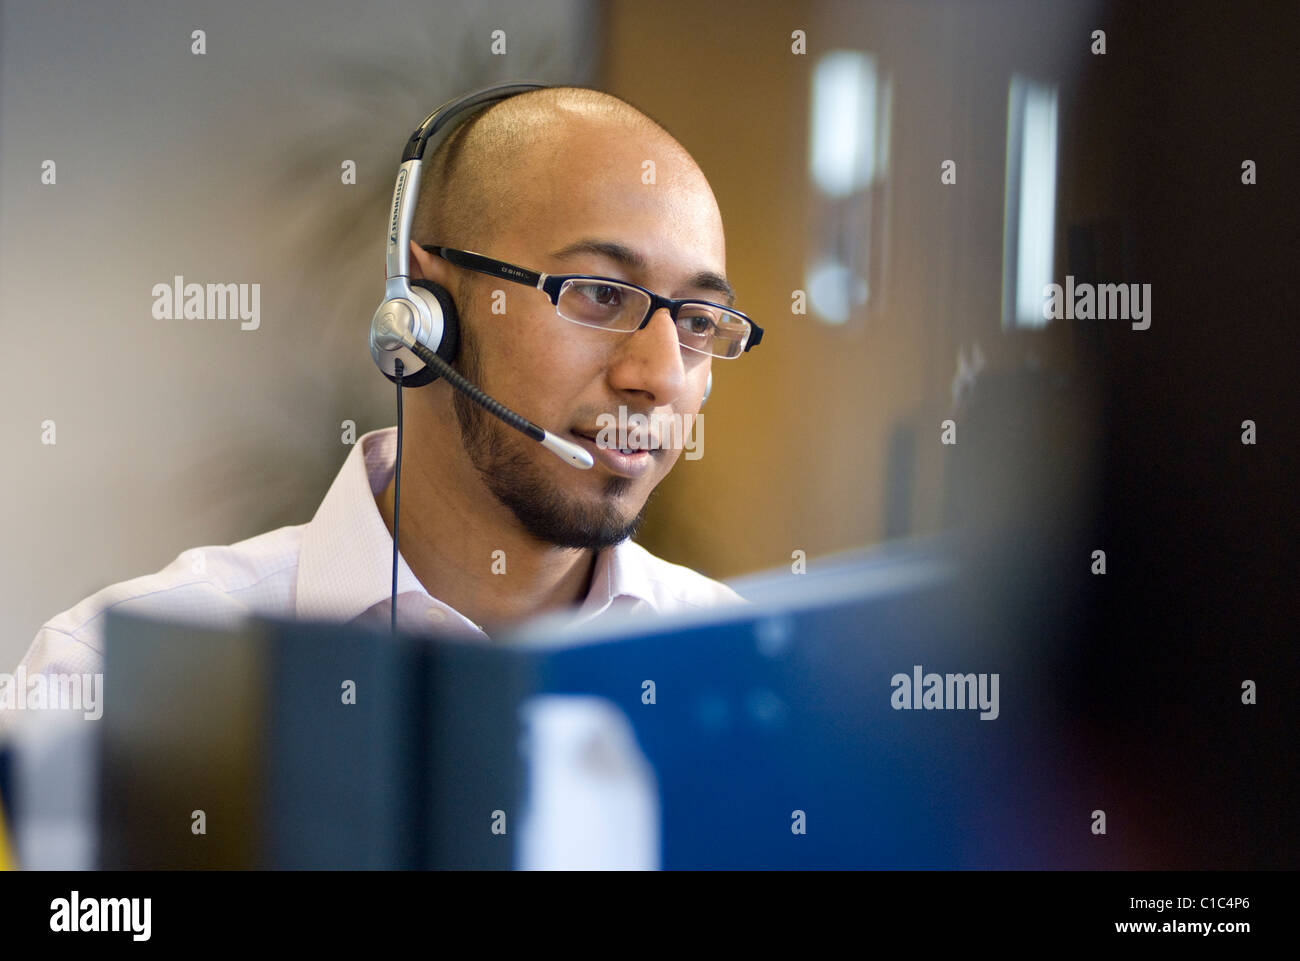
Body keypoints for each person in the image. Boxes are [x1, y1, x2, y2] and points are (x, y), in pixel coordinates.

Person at [3, 85, 760, 700]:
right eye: (598, 294)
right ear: (422, 313)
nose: (660, 375)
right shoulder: (110, 680)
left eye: (698, 319)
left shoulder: (749, 674)